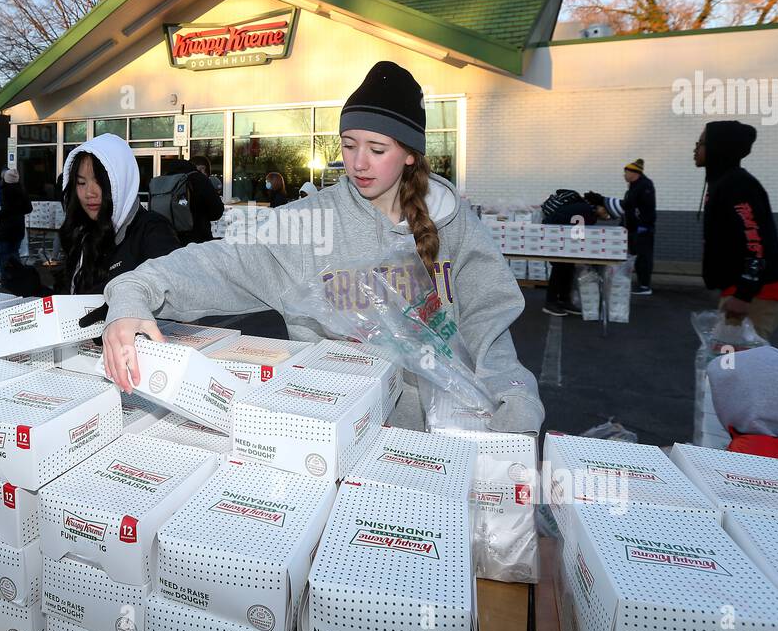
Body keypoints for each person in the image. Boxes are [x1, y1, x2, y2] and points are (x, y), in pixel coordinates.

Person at [100, 61, 543, 435]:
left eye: (377, 148)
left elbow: (489, 321)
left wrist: (515, 402)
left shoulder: (455, 223)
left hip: (436, 438)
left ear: (410, 154)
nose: (359, 162)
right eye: (349, 145)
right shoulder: (310, 224)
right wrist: (134, 293)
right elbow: (221, 262)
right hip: (331, 437)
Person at [694, 120, 778, 340]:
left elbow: (755, 240)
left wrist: (744, 294)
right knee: (728, 361)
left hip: (758, 294)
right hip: (740, 290)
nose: (696, 148)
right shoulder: (722, 183)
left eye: (701, 143)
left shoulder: (738, 185)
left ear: (718, 148)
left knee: (740, 365)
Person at [55, 133, 181, 295]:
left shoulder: (152, 231)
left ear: (121, 181)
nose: (89, 193)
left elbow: (170, 293)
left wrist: (119, 303)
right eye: (81, 183)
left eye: (99, 181)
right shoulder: (82, 233)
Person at [586, 158, 657, 296]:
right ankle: (639, 282)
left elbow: (629, 205)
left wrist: (602, 200)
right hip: (631, 228)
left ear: (634, 173)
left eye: (626, 172)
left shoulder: (644, 186)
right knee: (632, 256)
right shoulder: (633, 187)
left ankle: (644, 286)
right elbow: (626, 209)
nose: (624, 175)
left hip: (642, 229)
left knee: (644, 257)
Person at [540, 189, 596, 316]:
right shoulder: (587, 210)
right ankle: (551, 303)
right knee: (560, 267)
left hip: (560, 235)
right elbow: (581, 230)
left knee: (567, 266)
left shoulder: (583, 207)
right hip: (554, 234)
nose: (607, 217)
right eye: (607, 213)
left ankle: (564, 301)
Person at [157, 156, 224, 244]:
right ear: (203, 169)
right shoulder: (199, 179)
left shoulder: (164, 180)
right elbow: (216, 212)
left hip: (167, 239)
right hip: (196, 240)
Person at [0, 168, 32, 281]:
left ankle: (6, 278)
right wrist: (18, 211)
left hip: (7, 228)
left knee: (3, 254)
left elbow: (6, 210)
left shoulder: (6, 191)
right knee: (14, 253)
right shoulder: (22, 191)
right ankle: (18, 277)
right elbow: (29, 208)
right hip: (19, 227)